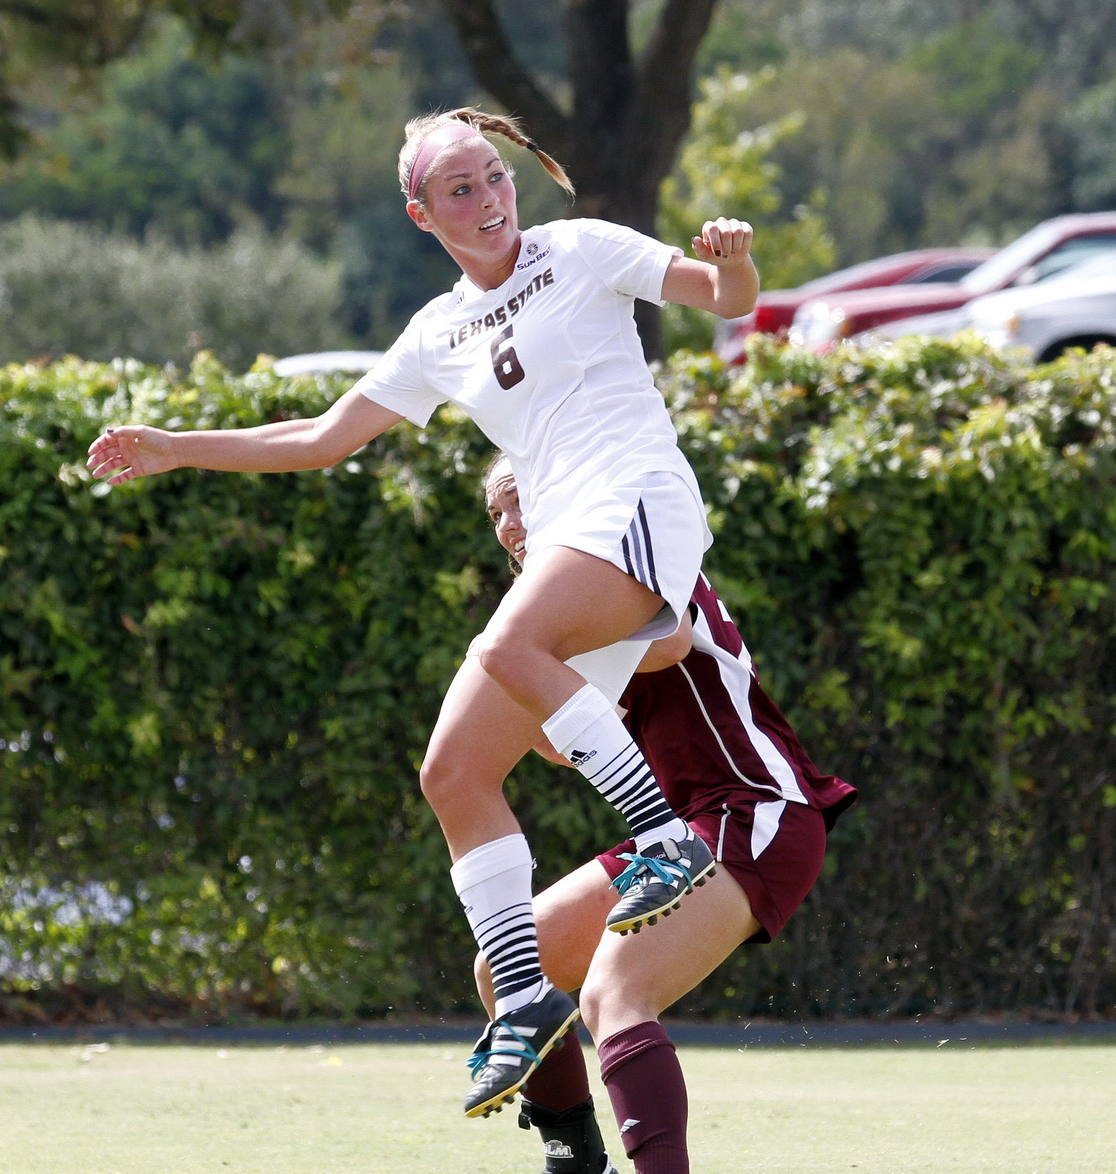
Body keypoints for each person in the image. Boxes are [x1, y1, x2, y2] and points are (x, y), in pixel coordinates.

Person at [84, 107, 761, 1117]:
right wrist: (177, 446)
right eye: (460, 190)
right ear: (419, 214)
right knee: (453, 769)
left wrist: (736, 261)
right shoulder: (437, 330)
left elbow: (725, 298)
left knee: (510, 641)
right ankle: (525, 996)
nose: (488, 200)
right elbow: (321, 435)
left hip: (641, 506)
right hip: (569, 537)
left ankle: (664, 835)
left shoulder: (584, 249)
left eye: (494, 178)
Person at [476, 454, 857, 1174]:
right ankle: (578, 1162)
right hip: (683, 830)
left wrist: (537, 651)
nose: (508, 525)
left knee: (614, 993)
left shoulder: (630, 549)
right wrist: (521, 677)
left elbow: (672, 640)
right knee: (509, 967)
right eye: (495, 513)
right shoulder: (566, 603)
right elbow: (565, 746)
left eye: (519, 500)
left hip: (757, 808)